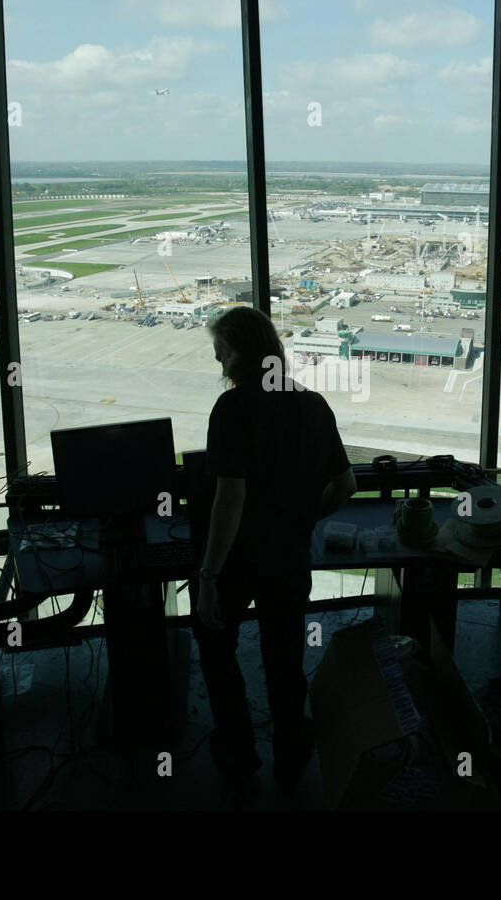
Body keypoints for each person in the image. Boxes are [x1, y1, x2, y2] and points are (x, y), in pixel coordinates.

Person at [191, 306, 356, 791]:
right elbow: (345, 485)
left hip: (239, 562)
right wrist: (306, 516)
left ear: (240, 351)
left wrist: (207, 577)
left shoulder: (233, 408)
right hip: (288, 560)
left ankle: (239, 752)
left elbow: (230, 498)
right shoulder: (313, 405)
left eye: (220, 348)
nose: (217, 358)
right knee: (284, 660)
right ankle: (291, 753)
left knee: (217, 650)